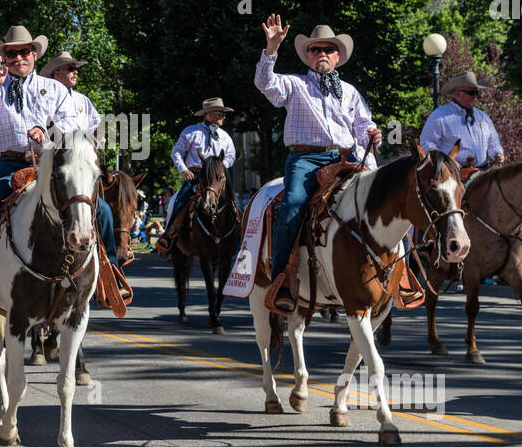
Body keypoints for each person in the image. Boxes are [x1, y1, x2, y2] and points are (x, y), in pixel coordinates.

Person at [253, 16, 381, 314]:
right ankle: (281, 278)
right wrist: (271, 49)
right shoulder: (294, 85)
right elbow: (264, 84)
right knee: (294, 203)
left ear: (337, 56)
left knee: (378, 203)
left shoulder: (349, 92)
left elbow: (364, 127)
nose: (321, 53)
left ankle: (392, 273)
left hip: (345, 158)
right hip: (305, 159)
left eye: (328, 49)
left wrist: (373, 138)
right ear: (308, 56)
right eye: (315, 49)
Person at [0, 25, 86, 313]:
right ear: (5, 58)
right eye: (11, 54)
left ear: (34, 55)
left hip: (51, 164)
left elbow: (76, 124)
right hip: (9, 164)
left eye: (23, 52)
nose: (17, 58)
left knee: (93, 208)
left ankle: (106, 273)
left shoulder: (55, 89)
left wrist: (48, 131)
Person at [42, 49, 119, 266]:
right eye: (71, 68)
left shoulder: (83, 100)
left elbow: (97, 127)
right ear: (57, 72)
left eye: (75, 69)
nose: (76, 72)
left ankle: (111, 269)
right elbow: (43, 127)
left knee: (103, 211)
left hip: (80, 166)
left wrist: (98, 140)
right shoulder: (45, 97)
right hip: (52, 164)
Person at [153, 96, 237, 256]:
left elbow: (231, 156)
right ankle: (168, 236)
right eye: (221, 114)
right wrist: (184, 170)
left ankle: (240, 239)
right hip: (196, 177)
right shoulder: (191, 132)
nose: (224, 117)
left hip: (217, 180)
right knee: (179, 201)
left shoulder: (225, 137)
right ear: (210, 114)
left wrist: (218, 169)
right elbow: (176, 152)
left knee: (235, 205)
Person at [418, 70, 506, 171]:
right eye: (471, 93)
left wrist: (497, 153)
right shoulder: (439, 116)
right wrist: (447, 160)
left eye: (477, 92)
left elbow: (493, 142)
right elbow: (426, 144)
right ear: (458, 94)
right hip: (454, 175)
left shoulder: (483, 116)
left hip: (483, 173)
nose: (475, 96)